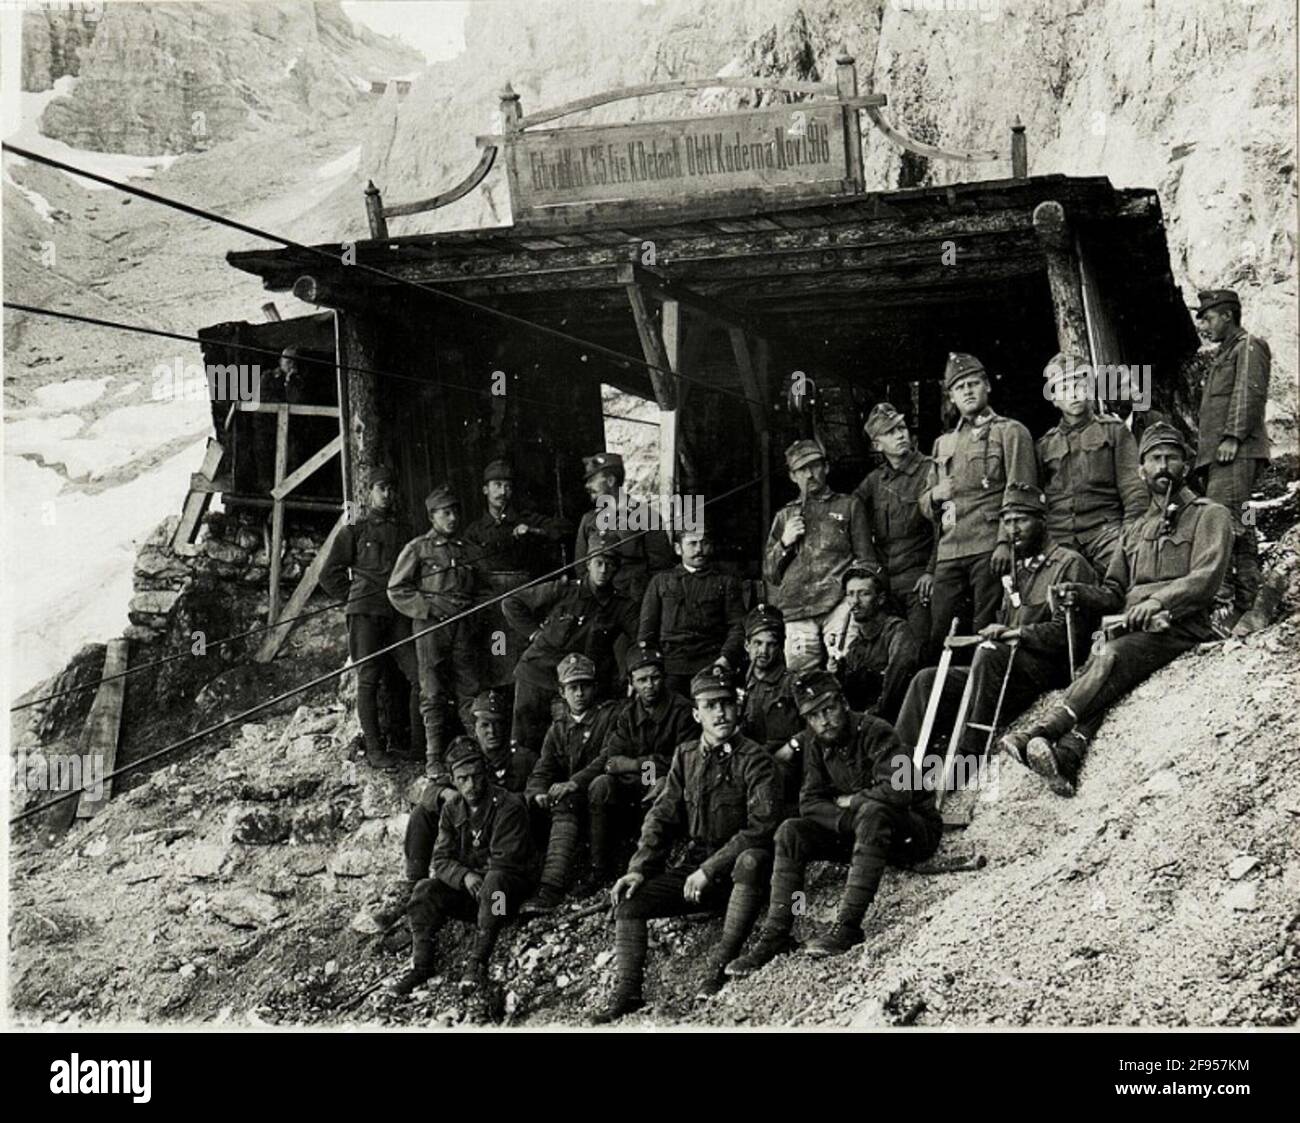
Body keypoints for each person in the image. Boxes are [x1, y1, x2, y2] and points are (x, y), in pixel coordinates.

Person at [1002, 423, 1233, 795]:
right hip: (1134, 626)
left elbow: (1205, 578)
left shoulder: (1210, 515)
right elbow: (1113, 591)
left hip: (1182, 624)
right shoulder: (1135, 530)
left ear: (1185, 466)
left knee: (1109, 655)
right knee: (1105, 659)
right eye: (1154, 459)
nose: (1163, 466)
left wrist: (1160, 601)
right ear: (1140, 471)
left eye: (1171, 458)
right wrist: (1076, 591)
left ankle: (1042, 730)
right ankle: (1068, 754)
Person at [594, 667, 781, 1021]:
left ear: (737, 708)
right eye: (710, 706)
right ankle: (627, 993)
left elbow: (760, 828)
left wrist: (709, 870)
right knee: (630, 903)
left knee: (752, 859)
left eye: (726, 703)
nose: (720, 713)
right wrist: (638, 869)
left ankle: (721, 965)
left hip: (743, 874)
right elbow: (662, 816)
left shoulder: (756, 760)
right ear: (697, 714)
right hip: (697, 869)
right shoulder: (686, 756)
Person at [725, 670, 940, 977]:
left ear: (844, 703)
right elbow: (810, 802)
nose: (823, 720)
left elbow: (899, 789)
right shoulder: (815, 742)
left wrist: (851, 802)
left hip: (913, 832)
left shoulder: (875, 731)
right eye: (813, 715)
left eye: (829, 709)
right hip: (862, 832)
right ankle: (778, 932)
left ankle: (848, 926)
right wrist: (848, 818)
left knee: (874, 811)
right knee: (791, 832)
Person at [894, 485, 1097, 767]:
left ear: (1043, 520)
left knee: (990, 651)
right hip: (1004, 670)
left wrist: (1013, 634)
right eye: (1008, 521)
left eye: (1021, 520)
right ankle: (897, 770)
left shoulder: (1068, 564)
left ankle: (969, 753)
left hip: (1047, 669)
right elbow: (1004, 624)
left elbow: (1069, 635)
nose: (1013, 529)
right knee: (927, 680)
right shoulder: (1016, 570)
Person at [392, 740, 537, 996]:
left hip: (505, 901)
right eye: (463, 779)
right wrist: (464, 876)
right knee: (425, 890)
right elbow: (441, 859)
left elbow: (506, 864)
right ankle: (421, 965)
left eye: (476, 777)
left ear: (486, 775)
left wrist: (476, 878)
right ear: (453, 780)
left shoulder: (509, 806)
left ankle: (477, 962)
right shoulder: (452, 808)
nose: (471, 785)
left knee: (496, 882)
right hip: (474, 895)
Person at [920, 352, 1037, 655]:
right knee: (942, 636)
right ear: (952, 398)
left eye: (974, 383)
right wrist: (934, 495)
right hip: (950, 551)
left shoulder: (1010, 432)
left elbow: (1020, 494)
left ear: (987, 386)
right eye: (960, 388)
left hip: (988, 548)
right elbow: (924, 504)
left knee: (986, 634)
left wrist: (1003, 541)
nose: (968, 391)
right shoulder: (943, 443)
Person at [318, 465, 421, 771]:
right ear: (370, 493)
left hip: (398, 613)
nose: (387, 495)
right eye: (381, 489)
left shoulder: (405, 531)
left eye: (391, 489)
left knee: (417, 675)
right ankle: (375, 751)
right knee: (368, 681)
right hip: (365, 613)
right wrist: (353, 597)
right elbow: (328, 574)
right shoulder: (356, 530)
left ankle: (417, 747)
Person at [579, 643, 699, 893]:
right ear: (632, 682)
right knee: (600, 785)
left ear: (664, 678)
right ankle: (599, 868)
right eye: (642, 679)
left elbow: (685, 758)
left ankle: (652, 867)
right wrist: (646, 764)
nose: (649, 685)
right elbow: (611, 762)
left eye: (655, 678)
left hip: (671, 784)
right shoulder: (627, 715)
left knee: (662, 786)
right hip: (636, 784)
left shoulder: (681, 710)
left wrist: (636, 765)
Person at [387, 484, 485, 789]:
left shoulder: (468, 550)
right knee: (432, 692)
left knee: (470, 688)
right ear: (432, 517)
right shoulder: (418, 548)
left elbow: (485, 587)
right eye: (445, 513)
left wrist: (474, 609)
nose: (452, 517)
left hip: (464, 629)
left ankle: (478, 753)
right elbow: (397, 589)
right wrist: (429, 607)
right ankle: (433, 759)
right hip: (430, 629)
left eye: (455, 511)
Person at [503, 548, 638, 750]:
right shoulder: (564, 590)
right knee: (526, 744)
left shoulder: (620, 605)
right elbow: (511, 602)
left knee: (571, 744)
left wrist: (633, 672)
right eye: (598, 563)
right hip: (538, 672)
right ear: (588, 564)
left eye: (609, 565)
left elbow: (640, 637)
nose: (603, 570)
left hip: (578, 684)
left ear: (617, 569)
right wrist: (534, 633)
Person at [763, 438, 878, 672]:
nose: (809, 475)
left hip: (838, 604)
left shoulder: (848, 506)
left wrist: (852, 599)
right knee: (802, 679)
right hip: (798, 610)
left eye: (814, 466)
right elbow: (770, 574)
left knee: (847, 667)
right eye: (801, 470)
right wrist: (785, 542)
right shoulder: (785, 516)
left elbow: (866, 560)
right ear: (793, 476)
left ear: (826, 467)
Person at [1193, 289, 1272, 628]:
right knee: (1243, 521)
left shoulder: (1248, 346)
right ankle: (1248, 603)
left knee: (1223, 525)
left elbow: (1248, 392)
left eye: (1208, 318)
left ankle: (1224, 611)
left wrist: (1232, 437)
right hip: (1225, 457)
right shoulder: (1225, 353)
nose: (1204, 327)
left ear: (1228, 315)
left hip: (1235, 455)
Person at [519, 654, 619, 913]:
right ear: (562, 692)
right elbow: (544, 767)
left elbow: (608, 757)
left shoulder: (609, 716)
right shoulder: (558, 728)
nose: (579, 693)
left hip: (608, 800)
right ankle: (530, 882)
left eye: (585, 685)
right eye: (572, 688)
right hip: (576, 806)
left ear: (594, 687)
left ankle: (552, 888)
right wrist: (537, 792)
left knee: (582, 792)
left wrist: (574, 783)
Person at [464, 459, 573, 690]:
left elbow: (564, 529)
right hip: (494, 610)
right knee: (499, 659)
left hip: (524, 604)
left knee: (528, 659)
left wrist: (533, 531)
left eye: (507, 486)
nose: (502, 492)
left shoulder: (525, 519)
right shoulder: (475, 531)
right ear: (485, 489)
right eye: (496, 485)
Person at [1036, 353, 1145, 574]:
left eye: (1079, 385)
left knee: (1133, 571)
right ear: (1054, 399)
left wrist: (1131, 532)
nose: (1073, 393)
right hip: (1060, 537)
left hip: (1105, 531)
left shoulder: (1114, 431)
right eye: (1064, 388)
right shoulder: (1044, 445)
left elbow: (1134, 488)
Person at [853, 403, 937, 648]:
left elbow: (943, 528)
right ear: (877, 445)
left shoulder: (930, 470)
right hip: (886, 584)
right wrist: (868, 564)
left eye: (901, 428)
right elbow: (854, 511)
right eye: (890, 432)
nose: (900, 435)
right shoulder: (875, 481)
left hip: (918, 579)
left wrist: (931, 571)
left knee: (919, 647)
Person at [637, 523, 745, 695]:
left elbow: (738, 626)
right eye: (692, 543)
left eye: (705, 543)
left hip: (712, 664)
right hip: (670, 667)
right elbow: (646, 632)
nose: (700, 549)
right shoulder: (661, 582)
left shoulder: (725, 582)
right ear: (678, 549)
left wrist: (725, 658)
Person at [573, 452, 672, 603]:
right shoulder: (589, 520)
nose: (587, 486)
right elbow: (581, 567)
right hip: (599, 604)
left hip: (633, 604)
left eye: (592, 480)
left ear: (611, 480)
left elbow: (660, 569)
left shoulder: (647, 517)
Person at [828, 565, 919, 723]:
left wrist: (869, 719)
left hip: (892, 722)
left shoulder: (897, 632)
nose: (855, 602)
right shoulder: (856, 645)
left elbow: (897, 684)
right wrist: (837, 673)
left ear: (881, 598)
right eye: (850, 594)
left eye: (864, 594)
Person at [738, 603, 802, 812]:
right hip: (748, 761)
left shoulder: (793, 683)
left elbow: (818, 725)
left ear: (780, 646)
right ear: (747, 645)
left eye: (770, 644)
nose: (763, 651)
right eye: (757, 643)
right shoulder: (737, 683)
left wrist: (793, 745)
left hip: (784, 764)